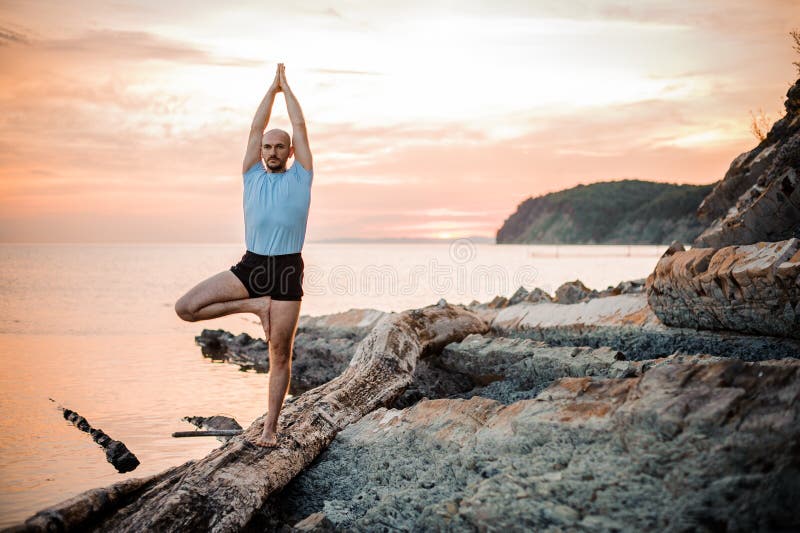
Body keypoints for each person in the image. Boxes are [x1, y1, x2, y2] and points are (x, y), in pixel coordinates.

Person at [174, 63, 313, 448]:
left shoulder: (301, 176)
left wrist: (289, 90)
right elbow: (255, 128)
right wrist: (272, 90)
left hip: (286, 270)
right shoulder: (251, 174)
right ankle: (256, 306)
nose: (270, 151)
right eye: (267, 146)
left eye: (278, 146)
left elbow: (300, 129)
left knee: (280, 355)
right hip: (250, 266)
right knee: (185, 308)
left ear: (289, 151)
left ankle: (270, 428)